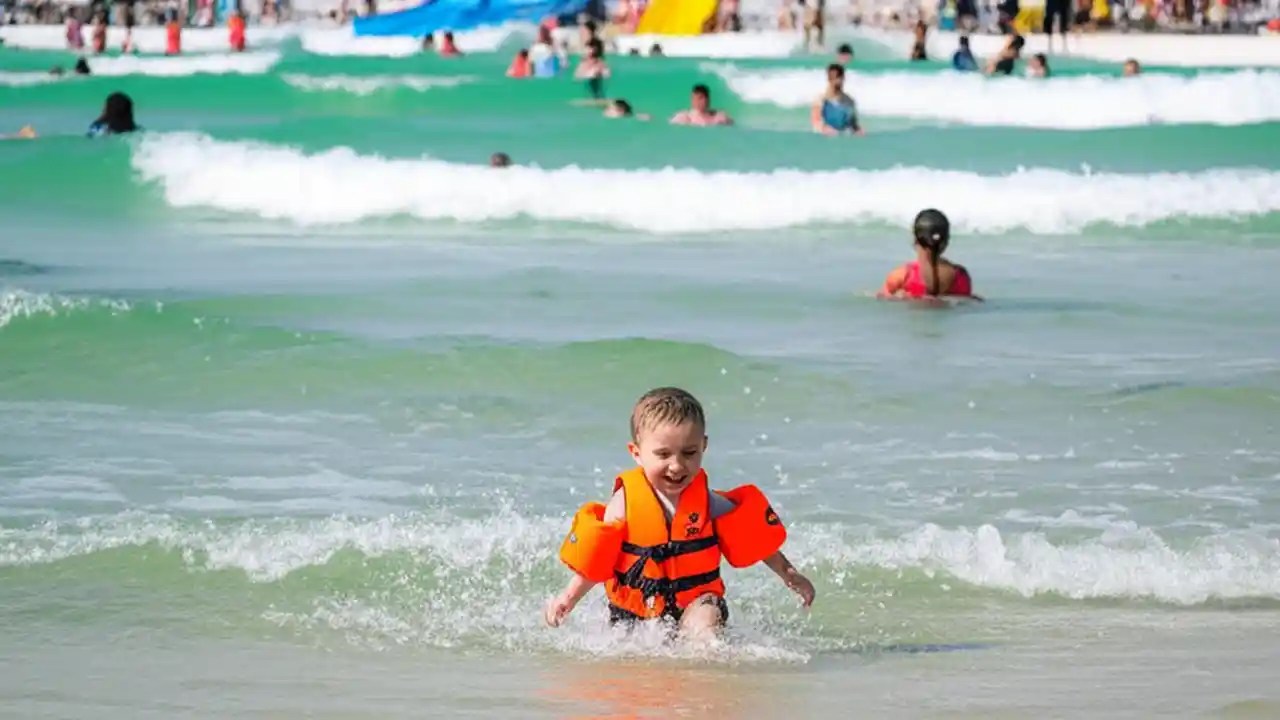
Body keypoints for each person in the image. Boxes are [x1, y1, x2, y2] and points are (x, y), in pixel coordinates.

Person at [545, 387, 815, 636]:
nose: (677, 466)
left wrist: (789, 573)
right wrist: (567, 599)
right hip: (635, 617)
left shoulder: (707, 502)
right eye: (663, 455)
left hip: (698, 602)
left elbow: (754, 540)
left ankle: (708, 666)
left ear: (703, 446)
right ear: (636, 453)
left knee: (706, 620)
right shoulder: (624, 503)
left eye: (689, 453)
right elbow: (596, 559)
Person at [878, 209, 978, 300]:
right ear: (946, 242)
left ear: (915, 240)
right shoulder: (960, 277)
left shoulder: (902, 276)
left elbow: (882, 299)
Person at [810, 64, 862, 136]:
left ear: (843, 78)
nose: (837, 81)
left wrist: (859, 131)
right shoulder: (820, 100)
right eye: (833, 78)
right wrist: (824, 129)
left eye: (839, 78)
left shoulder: (849, 101)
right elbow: (816, 122)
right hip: (825, 138)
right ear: (828, 79)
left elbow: (853, 125)